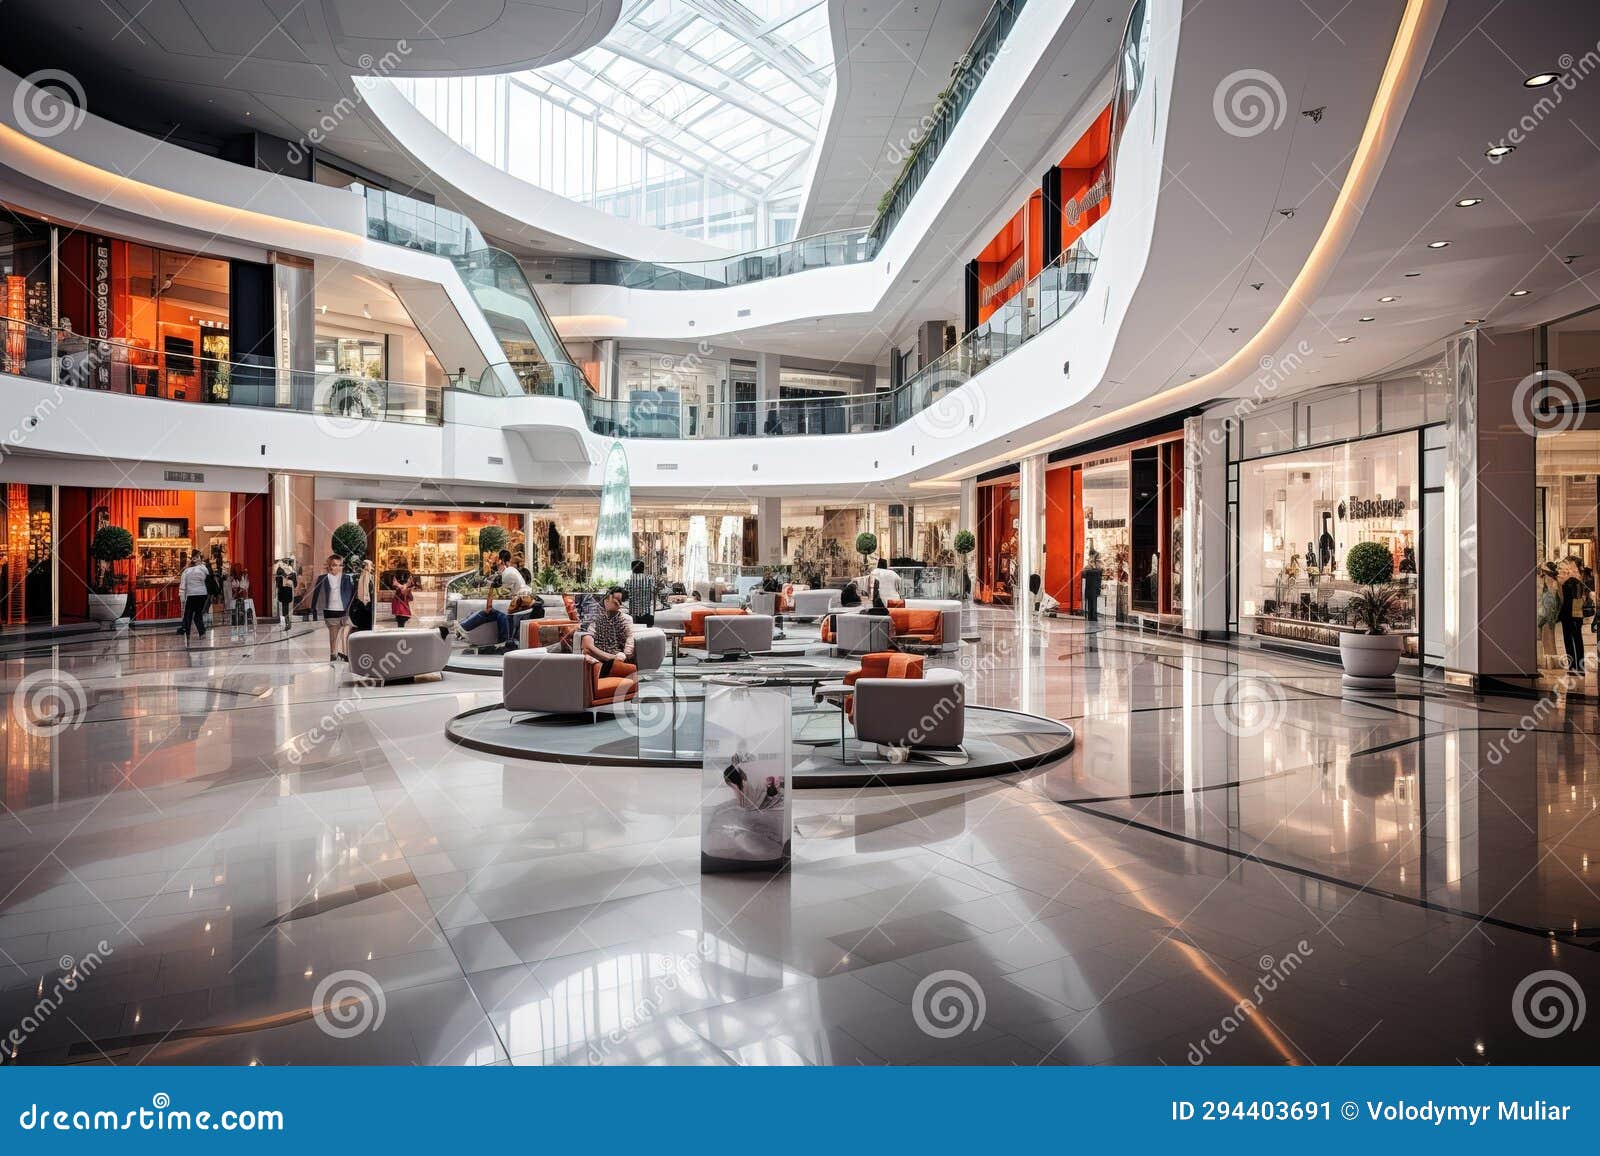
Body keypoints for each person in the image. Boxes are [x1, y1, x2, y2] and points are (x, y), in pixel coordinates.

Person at [547, 586, 634, 676]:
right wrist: (613, 657)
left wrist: (624, 655)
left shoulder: (625, 619)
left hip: (613, 659)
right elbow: (588, 647)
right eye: (615, 602)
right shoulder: (594, 617)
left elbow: (629, 639)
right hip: (600, 658)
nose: (618, 605)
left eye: (619, 602)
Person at [308, 554, 355, 662]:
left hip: (345, 611)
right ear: (329, 566)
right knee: (333, 636)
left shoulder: (347, 578)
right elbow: (316, 595)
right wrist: (314, 611)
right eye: (334, 565)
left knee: (345, 635)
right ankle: (333, 655)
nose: (337, 567)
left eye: (340, 565)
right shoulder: (322, 578)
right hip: (330, 611)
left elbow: (352, 595)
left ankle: (345, 654)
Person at [1558, 558, 1586, 675]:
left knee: (1569, 641)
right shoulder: (1579, 581)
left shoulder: (1569, 582)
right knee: (1578, 640)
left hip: (1569, 616)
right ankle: (1580, 667)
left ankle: (1573, 666)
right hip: (1577, 615)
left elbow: (1566, 601)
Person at [177, 550, 211, 640]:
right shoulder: (203, 569)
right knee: (198, 614)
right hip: (202, 594)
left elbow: (183, 585)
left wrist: (182, 598)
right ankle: (202, 633)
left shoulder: (186, 571)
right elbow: (207, 574)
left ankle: (187, 632)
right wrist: (201, 564)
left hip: (191, 594)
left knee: (188, 614)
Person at [626, 559, 658, 627]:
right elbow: (654, 596)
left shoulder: (628, 582)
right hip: (647, 614)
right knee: (647, 632)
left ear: (632, 569)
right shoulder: (650, 580)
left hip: (633, 616)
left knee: (635, 632)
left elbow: (626, 598)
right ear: (643, 569)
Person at [349, 559, 375, 633]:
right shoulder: (364, 575)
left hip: (366, 602)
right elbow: (364, 590)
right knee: (364, 624)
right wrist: (365, 600)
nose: (372, 567)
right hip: (364, 603)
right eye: (370, 565)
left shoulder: (369, 576)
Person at [274, 558, 298, 630]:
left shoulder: (281, 570)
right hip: (287, 590)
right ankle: (287, 622)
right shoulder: (291, 571)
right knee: (286, 608)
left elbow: (277, 582)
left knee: (285, 608)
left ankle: (287, 622)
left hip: (284, 591)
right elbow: (295, 584)